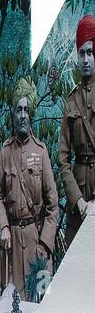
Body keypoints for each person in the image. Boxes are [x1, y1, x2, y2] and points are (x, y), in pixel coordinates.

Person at [0, 77, 60, 296]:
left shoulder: (41, 151)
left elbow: (53, 204)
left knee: (38, 303)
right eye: (18, 110)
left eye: (26, 110)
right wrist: (3, 226)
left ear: (31, 114)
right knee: (14, 306)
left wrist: (44, 244)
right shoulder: (5, 152)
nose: (22, 115)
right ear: (13, 113)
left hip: (36, 242)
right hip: (12, 245)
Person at [57, 14, 95, 247]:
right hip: (79, 204)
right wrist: (78, 200)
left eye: (90, 52)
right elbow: (63, 159)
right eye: (81, 53)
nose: (85, 59)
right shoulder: (71, 102)